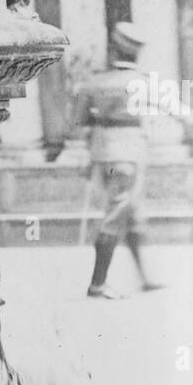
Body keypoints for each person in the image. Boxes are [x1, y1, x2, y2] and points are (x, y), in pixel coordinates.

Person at [71, 22, 164, 299]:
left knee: (131, 215)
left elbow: (78, 121)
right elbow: (174, 107)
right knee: (115, 217)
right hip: (129, 156)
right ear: (135, 53)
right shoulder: (142, 82)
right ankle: (98, 285)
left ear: (113, 49)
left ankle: (144, 278)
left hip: (103, 155)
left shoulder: (93, 81)